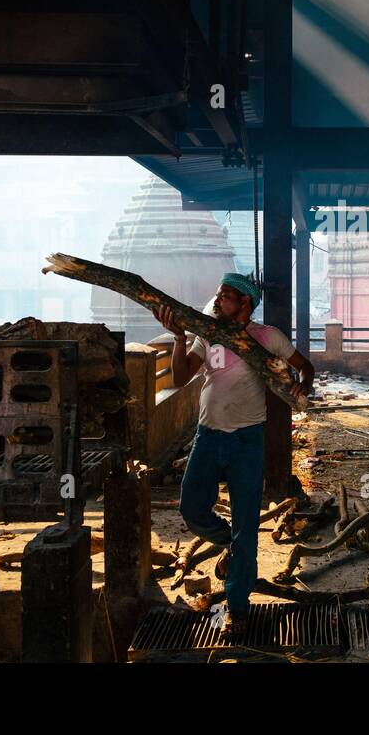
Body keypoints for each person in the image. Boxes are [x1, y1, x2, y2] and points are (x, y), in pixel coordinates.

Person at [154, 273, 313, 638]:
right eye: (218, 294)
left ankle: (237, 610)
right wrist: (180, 337)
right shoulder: (209, 334)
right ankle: (229, 542)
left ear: (245, 303)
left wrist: (303, 383)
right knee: (192, 509)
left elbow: (305, 366)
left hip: (247, 442)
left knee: (247, 526)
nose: (217, 300)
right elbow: (180, 377)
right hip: (208, 437)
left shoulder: (267, 337)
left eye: (226, 296)